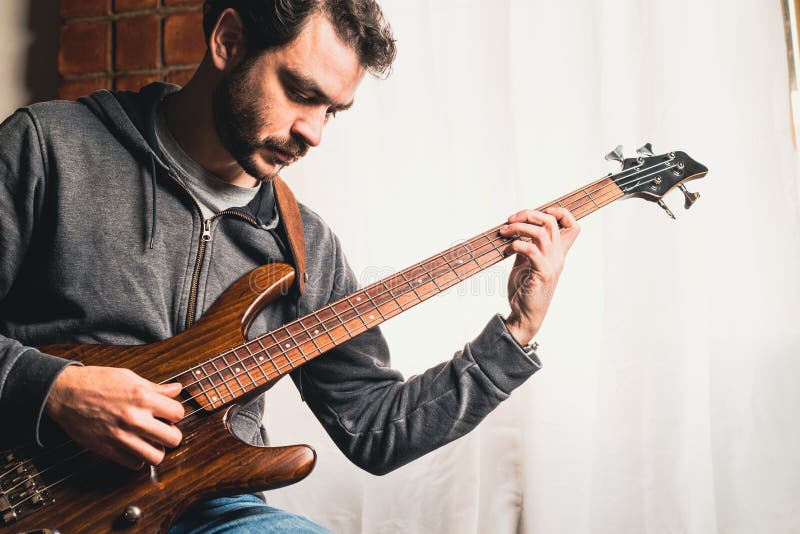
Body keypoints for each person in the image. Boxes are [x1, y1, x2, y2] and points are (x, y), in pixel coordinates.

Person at [0, 0, 580, 532]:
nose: (314, 133)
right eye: (301, 93)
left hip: (209, 509)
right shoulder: (49, 148)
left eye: (333, 110)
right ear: (228, 41)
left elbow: (373, 430)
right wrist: (56, 389)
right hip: (28, 483)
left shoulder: (308, 249)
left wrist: (516, 333)